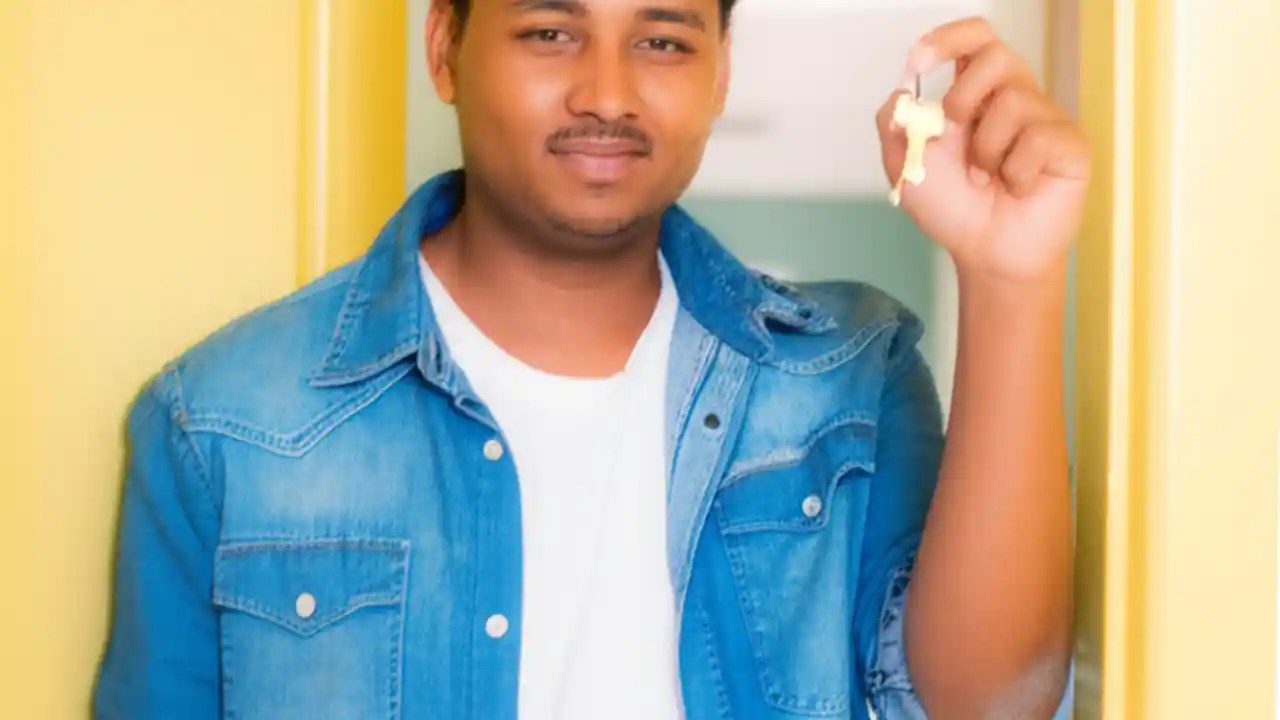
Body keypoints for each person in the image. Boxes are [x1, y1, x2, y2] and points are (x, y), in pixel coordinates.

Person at [93, 1, 1089, 718]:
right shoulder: (220, 423)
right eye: (549, 31)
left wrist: (1009, 278)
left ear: (720, 70)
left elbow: (987, 705)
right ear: (444, 45)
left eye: (660, 39)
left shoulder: (846, 378)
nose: (605, 93)